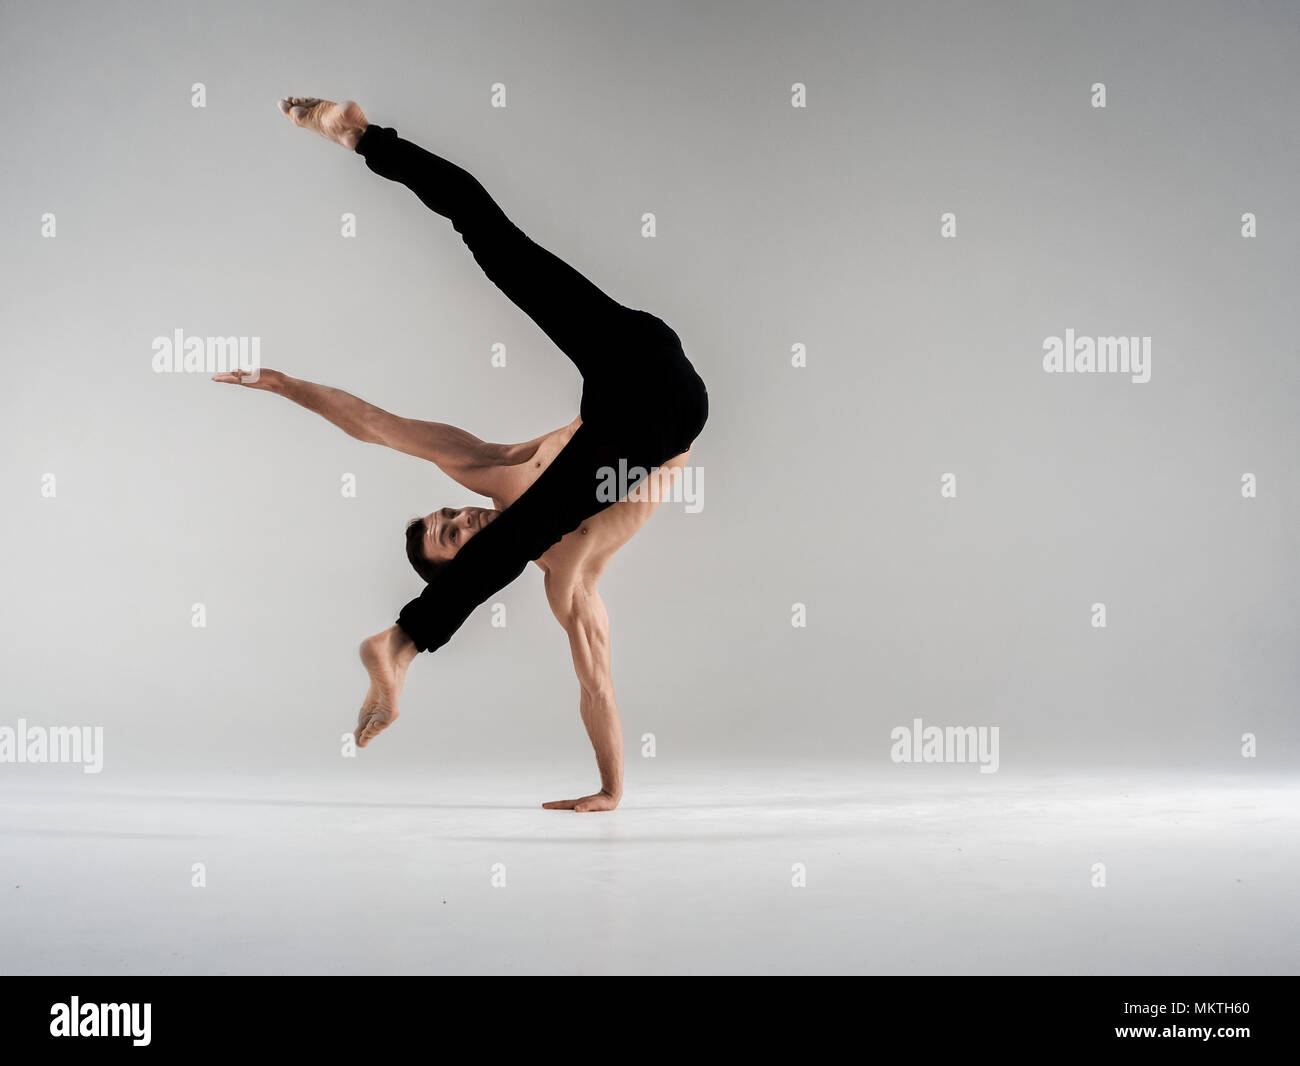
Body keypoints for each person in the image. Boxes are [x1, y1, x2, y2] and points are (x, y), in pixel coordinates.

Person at [214, 97, 708, 811]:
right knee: (527, 533)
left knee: (493, 240)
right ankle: (401, 645)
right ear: (455, 569)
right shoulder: (567, 575)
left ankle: (358, 135)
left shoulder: (493, 467)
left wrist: (284, 383)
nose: (459, 520)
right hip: (666, 424)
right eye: (451, 539)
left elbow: (377, 426)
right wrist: (611, 788)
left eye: (447, 516)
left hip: (634, 353)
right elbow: (596, 679)